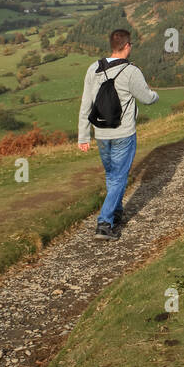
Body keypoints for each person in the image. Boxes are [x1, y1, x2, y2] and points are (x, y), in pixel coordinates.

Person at [78, 28, 159, 239]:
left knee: (112, 175)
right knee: (119, 178)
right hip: (124, 133)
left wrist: (83, 136)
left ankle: (115, 213)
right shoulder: (131, 71)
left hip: (101, 134)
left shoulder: (93, 68)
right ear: (127, 46)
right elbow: (147, 98)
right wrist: (155, 95)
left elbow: (86, 104)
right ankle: (104, 223)